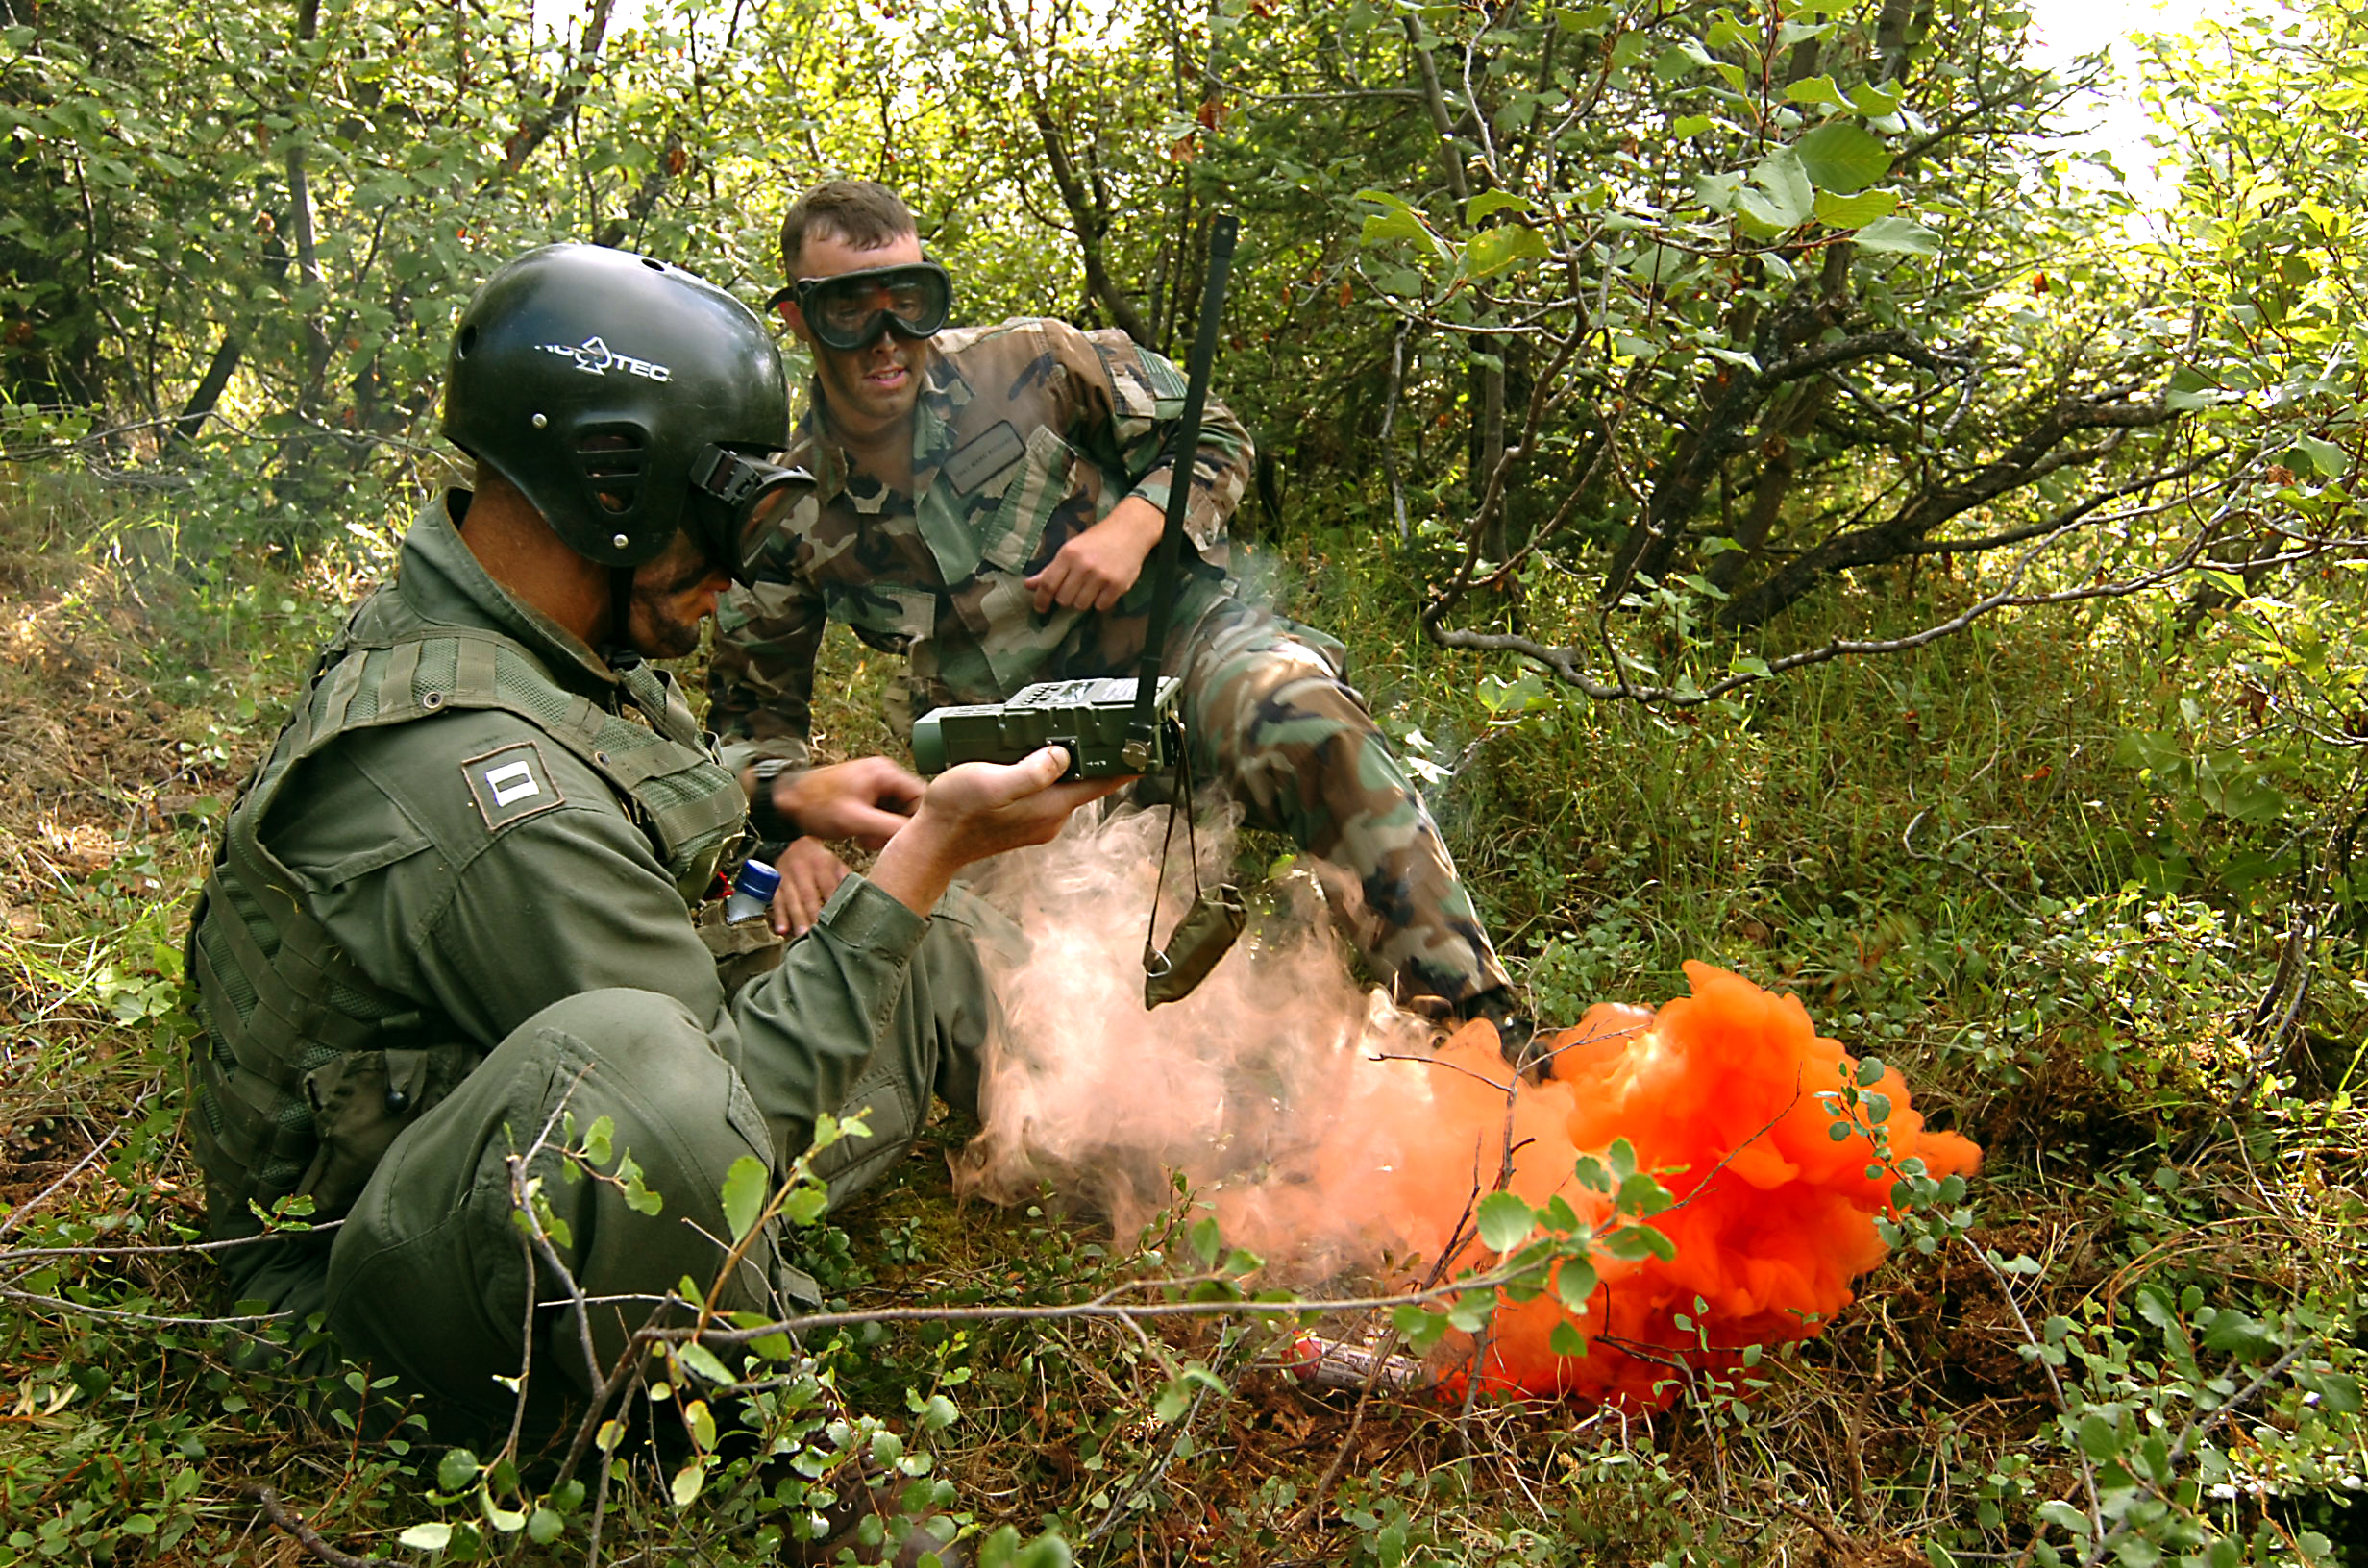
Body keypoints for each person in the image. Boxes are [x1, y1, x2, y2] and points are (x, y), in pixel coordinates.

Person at [182, 242, 1119, 1450]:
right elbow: (707, 1099)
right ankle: (786, 1454)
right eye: (719, 512)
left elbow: (600, 782)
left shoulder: (522, 630)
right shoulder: (465, 779)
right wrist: (930, 848)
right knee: (662, 1056)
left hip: (489, 1119)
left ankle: (1151, 1168)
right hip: (376, 1299)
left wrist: (779, 792)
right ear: (607, 487)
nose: (734, 573)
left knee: (933, 943)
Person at [707, 179, 1523, 1038]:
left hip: (1180, 655)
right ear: (797, 318)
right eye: (846, 312)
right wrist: (785, 827)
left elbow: (1213, 432)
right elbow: (749, 723)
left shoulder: (1035, 363)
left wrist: (1136, 526)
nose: (886, 341)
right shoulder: (789, 504)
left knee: (1300, 717)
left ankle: (1480, 1036)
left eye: (908, 303)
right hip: (1020, 762)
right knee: (1029, 995)